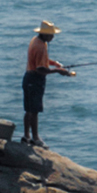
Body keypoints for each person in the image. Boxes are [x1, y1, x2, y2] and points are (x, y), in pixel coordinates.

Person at [21, 20, 75, 148]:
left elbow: (41, 59)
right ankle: (35, 138)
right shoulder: (40, 46)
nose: (53, 37)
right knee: (34, 110)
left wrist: (54, 63)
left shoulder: (36, 40)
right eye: (51, 35)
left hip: (28, 78)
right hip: (35, 80)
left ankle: (26, 136)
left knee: (29, 109)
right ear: (44, 34)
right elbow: (40, 69)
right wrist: (58, 71)